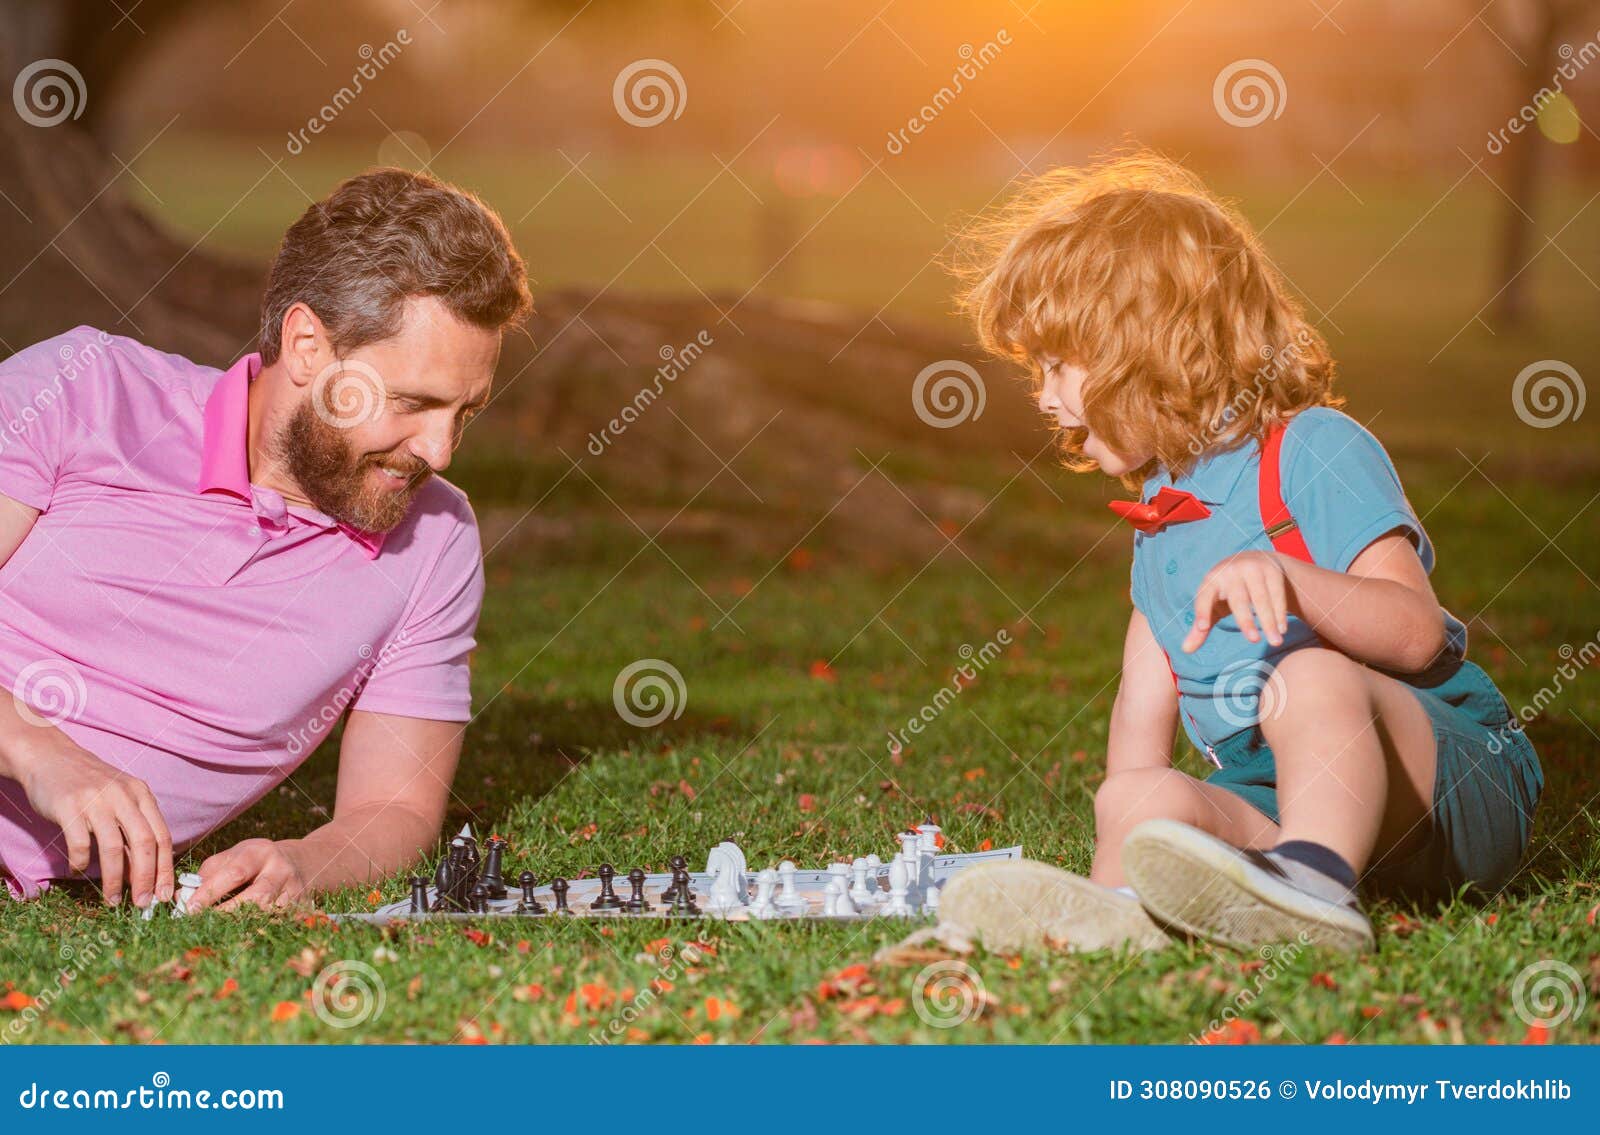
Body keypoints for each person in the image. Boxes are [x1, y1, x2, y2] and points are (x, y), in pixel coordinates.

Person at [948, 153, 1543, 953]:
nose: (1044, 396)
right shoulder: (1160, 519)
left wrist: (1291, 580)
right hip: (1279, 801)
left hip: (1444, 787)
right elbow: (1140, 717)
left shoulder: (1310, 451)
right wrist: (1133, 811)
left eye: (1057, 365)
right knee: (1140, 794)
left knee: (1311, 673)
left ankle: (1318, 888)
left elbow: (1416, 632)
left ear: (1145, 347)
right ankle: (1119, 918)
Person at [0, 167, 531, 912]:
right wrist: (36, 746)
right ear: (307, 346)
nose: (440, 451)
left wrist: (306, 863)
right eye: (414, 403)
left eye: (465, 413)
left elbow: (397, 810)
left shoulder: (436, 541)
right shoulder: (87, 388)